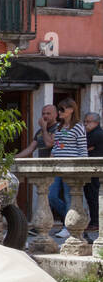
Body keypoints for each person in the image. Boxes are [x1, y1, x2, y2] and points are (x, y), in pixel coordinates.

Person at [48, 98, 87, 237]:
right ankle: (72, 219)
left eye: (62, 109)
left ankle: (68, 226)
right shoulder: (59, 127)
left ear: (71, 110)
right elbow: (56, 146)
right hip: (57, 166)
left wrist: (82, 169)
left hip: (72, 167)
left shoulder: (78, 127)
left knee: (68, 196)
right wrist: (51, 162)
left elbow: (83, 150)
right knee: (51, 196)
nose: (59, 112)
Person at [84, 111, 102, 241]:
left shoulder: (97, 134)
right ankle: (94, 221)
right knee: (91, 196)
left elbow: (84, 145)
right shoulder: (91, 133)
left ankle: (95, 222)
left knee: (93, 195)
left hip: (95, 169)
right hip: (90, 169)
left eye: (88, 122)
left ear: (96, 122)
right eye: (85, 121)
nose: (85, 124)